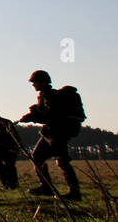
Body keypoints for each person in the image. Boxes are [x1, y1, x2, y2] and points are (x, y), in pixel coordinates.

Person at [19, 70, 84, 200]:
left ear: (42, 82)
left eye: (34, 82)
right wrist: (33, 114)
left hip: (57, 134)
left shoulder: (50, 96)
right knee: (38, 157)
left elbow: (51, 117)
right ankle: (46, 187)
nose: (33, 85)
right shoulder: (45, 95)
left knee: (62, 161)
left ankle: (74, 192)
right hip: (51, 134)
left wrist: (33, 117)